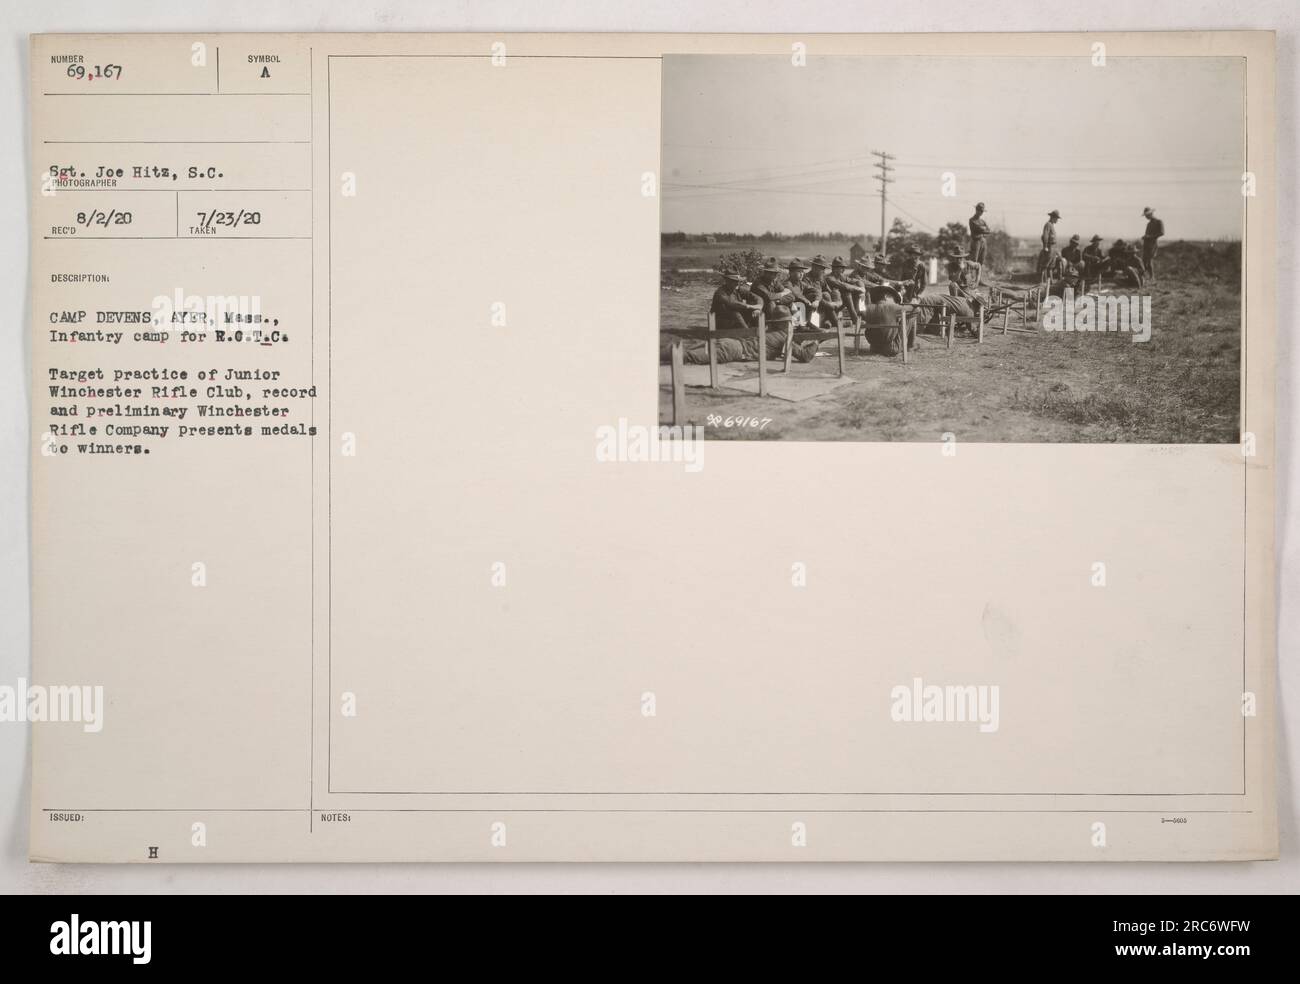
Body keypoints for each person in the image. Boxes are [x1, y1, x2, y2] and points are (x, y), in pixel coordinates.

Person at [1141, 206, 1164, 282]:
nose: (1146, 217)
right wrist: (1145, 237)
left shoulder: (1159, 222)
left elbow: (1161, 233)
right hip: (1146, 244)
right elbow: (1147, 234)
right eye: (1145, 216)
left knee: (1149, 260)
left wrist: (1150, 236)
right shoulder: (1148, 224)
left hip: (1153, 244)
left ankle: (1152, 277)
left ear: (1151, 213)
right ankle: (1145, 277)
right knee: (1144, 261)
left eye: (1147, 215)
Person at [1037, 209, 1061, 278]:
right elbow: (1045, 236)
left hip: (1053, 248)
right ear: (1053, 217)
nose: (1057, 220)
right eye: (1056, 218)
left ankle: (1050, 283)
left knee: (1051, 267)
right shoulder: (1048, 225)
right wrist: (1045, 247)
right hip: (1049, 247)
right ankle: (1042, 282)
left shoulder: (1052, 225)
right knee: (1045, 266)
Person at [968, 202, 990, 273]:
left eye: (982, 211)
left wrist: (982, 230)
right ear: (976, 210)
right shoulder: (972, 220)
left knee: (981, 260)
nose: (981, 213)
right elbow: (976, 228)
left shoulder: (982, 221)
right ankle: (972, 279)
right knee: (974, 261)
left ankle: (979, 279)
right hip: (976, 241)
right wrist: (983, 229)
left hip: (983, 241)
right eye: (979, 211)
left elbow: (988, 230)